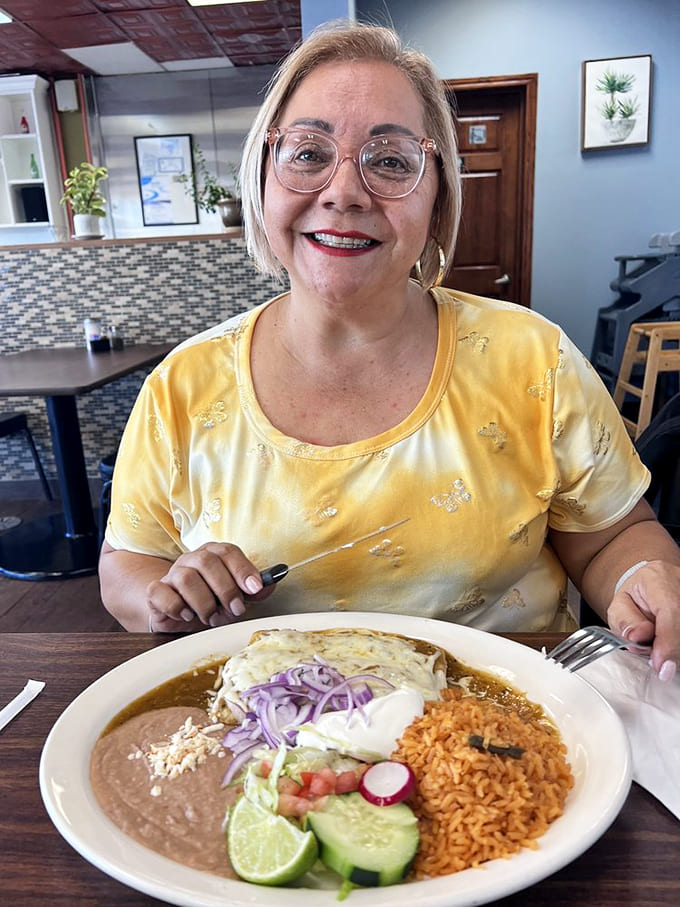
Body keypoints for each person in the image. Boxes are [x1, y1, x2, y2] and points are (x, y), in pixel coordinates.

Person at [99, 21, 680, 682]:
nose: (344, 192)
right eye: (309, 152)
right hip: (269, 734)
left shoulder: (534, 360)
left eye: (391, 161)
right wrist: (166, 596)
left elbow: (612, 537)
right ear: (262, 178)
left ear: (437, 199)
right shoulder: (182, 385)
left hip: (506, 725)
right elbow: (125, 565)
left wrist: (644, 574)